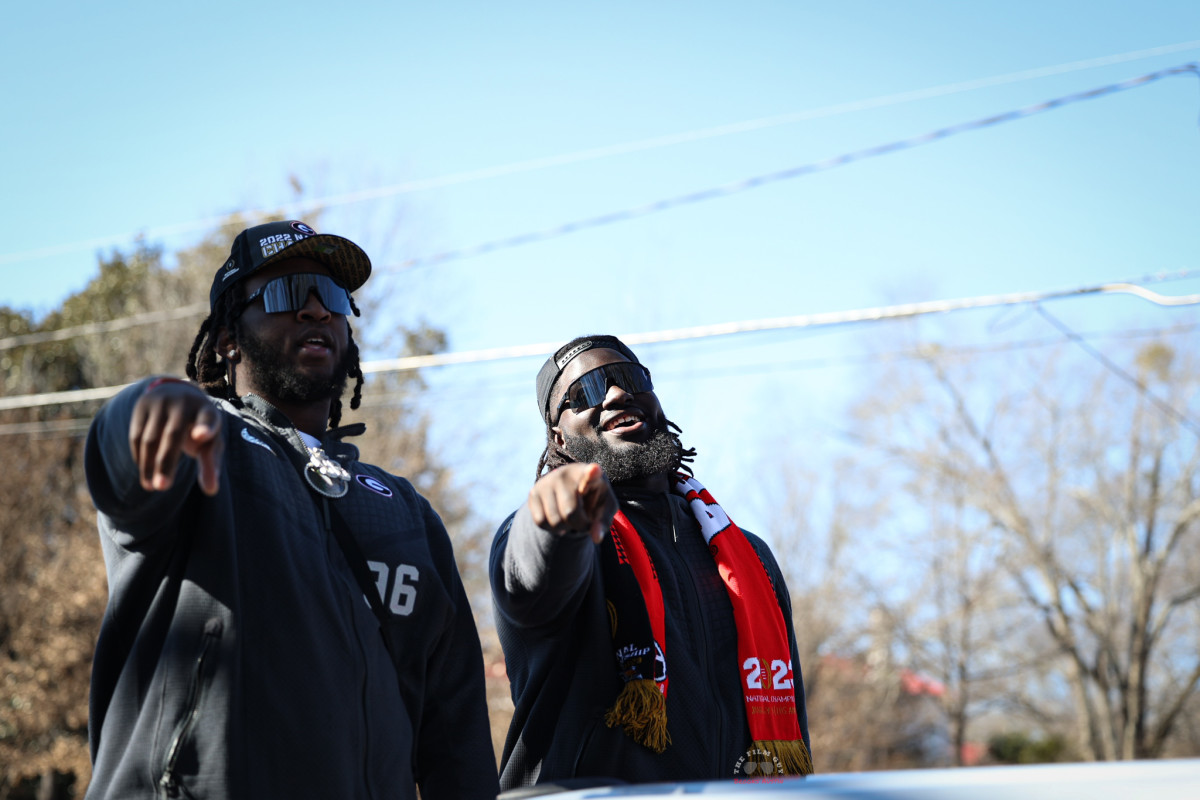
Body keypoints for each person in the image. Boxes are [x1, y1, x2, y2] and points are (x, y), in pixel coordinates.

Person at [84, 220, 498, 800]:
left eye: (331, 297)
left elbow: (457, 741)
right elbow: (126, 466)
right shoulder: (206, 445)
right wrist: (149, 410)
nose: (315, 312)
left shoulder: (406, 511)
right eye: (284, 294)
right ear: (227, 338)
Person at [490, 335, 812, 790]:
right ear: (559, 436)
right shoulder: (564, 531)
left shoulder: (750, 556)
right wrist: (550, 524)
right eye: (585, 393)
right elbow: (532, 578)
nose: (616, 394)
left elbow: (793, 723)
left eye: (628, 378)